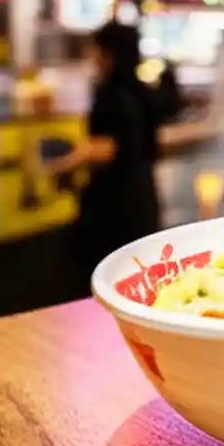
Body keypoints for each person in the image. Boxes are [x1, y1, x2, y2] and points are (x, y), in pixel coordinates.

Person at [48, 21, 163, 296]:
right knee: (136, 278)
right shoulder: (143, 91)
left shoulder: (110, 93)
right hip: (143, 197)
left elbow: (107, 147)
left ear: (107, 53)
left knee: (101, 283)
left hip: (112, 204)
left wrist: (57, 166)